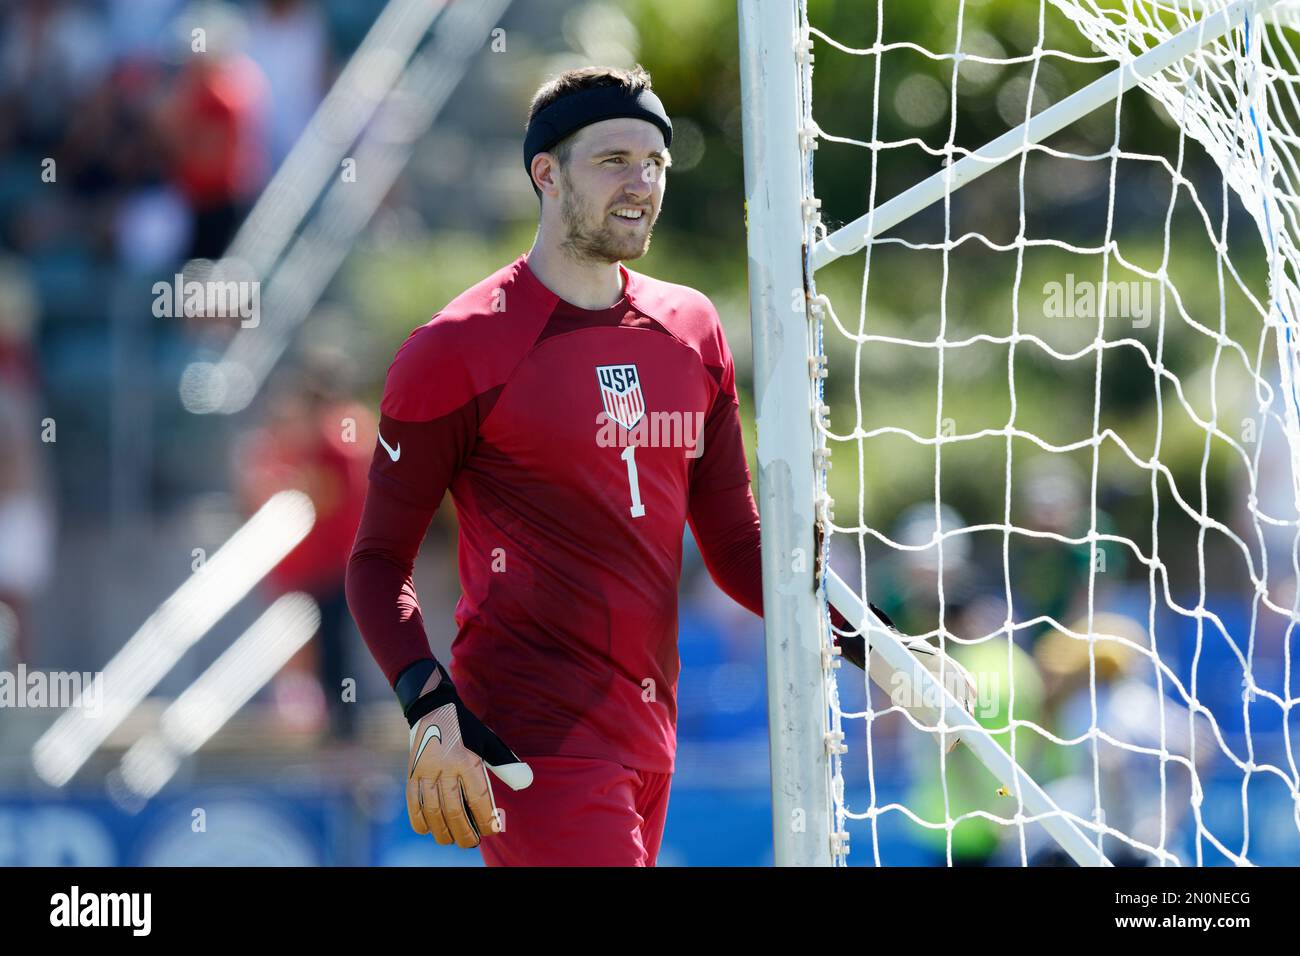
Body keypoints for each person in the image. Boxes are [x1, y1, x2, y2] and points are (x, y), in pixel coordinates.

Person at [346, 66, 974, 866]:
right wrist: (429, 705)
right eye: (614, 160)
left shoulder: (692, 328)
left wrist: (880, 649)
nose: (641, 182)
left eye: (656, 163)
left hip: (650, 737)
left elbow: (741, 550)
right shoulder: (456, 347)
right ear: (547, 173)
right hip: (533, 741)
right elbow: (376, 561)